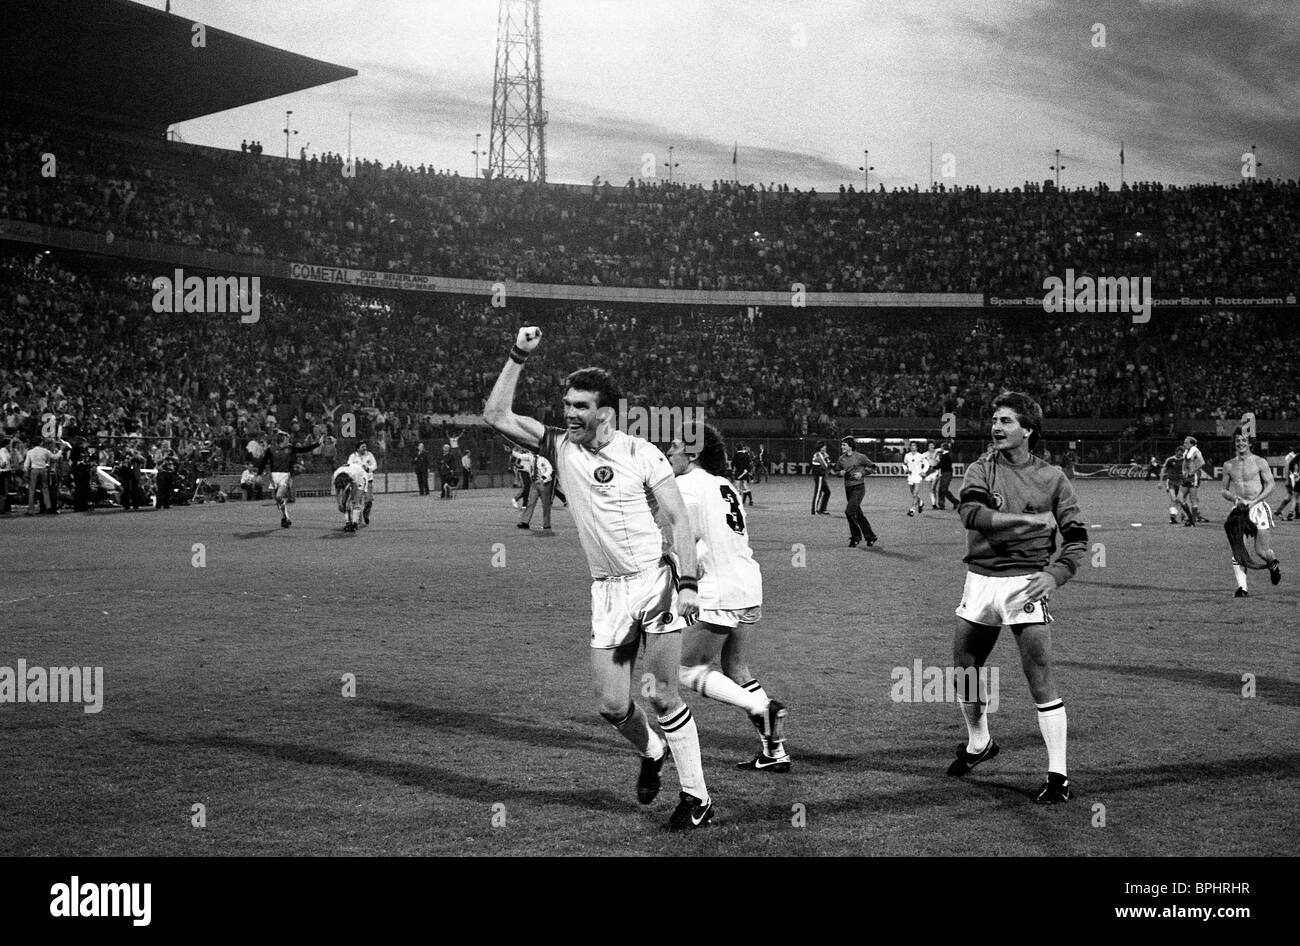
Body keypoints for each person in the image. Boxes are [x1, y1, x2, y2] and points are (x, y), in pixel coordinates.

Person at [483, 326, 714, 830]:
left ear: (605, 413)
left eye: (580, 406)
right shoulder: (560, 448)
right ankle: (651, 751)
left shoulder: (642, 454)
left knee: (659, 692)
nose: (569, 413)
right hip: (606, 591)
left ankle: (697, 798)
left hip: (654, 582)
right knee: (613, 706)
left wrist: (690, 582)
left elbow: (679, 520)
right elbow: (495, 415)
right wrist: (518, 355)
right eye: (567, 404)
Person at [947, 392, 1087, 805]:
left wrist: (1056, 574)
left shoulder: (1053, 478)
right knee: (965, 671)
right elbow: (970, 515)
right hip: (981, 580)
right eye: (994, 419)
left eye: (1006, 420)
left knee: (1039, 676)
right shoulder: (981, 468)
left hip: (1025, 583)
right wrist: (1027, 519)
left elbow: (1077, 538)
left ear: (1027, 429)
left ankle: (1058, 775)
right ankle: (979, 743)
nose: (996, 426)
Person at [667, 423, 789, 771]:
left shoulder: (687, 485)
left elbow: (685, 539)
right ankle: (775, 752)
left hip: (719, 590)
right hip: (748, 584)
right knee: (735, 667)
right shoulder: (725, 485)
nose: (669, 453)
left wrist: (672, 567)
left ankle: (763, 709)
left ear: (692, 452)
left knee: (685, 668)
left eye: (675, 446)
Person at [1220, 427, 1281, 597]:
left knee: (1262, 552)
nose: (1240, 443)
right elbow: (1223, 490)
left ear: (1249, 443)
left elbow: (1271, 485)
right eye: (1238, 440)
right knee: (1238, 551)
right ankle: (1242, 588)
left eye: (1243, 440)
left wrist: (1255, 501)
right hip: (1239, 511)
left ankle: (1273, 564)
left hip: (1258, 509)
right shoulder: (1228, 465)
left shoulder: (1259, 462)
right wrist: (1234, 499)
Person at [257, 432, 322, 528]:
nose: (289, 440)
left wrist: (318, 444)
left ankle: (284, 512)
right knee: (279, 500)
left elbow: (303, 449)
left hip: (285, 476)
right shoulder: (271, 449)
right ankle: (285, 517)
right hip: (274, 477)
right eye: (287, 438)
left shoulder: (290, 448)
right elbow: (263, 462)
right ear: (282, 440)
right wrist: (259, 474)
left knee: (279, 497)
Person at [836, 437, 878, 547]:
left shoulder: (860, 457)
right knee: (858, 514)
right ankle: (871, 537)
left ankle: (855, 537)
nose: (842, 447)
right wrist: (839, 473)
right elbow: (835, 471)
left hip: (859, 488)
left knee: (849, 512)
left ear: (850, 446)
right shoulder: (841, 459)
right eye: (842, 445)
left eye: (844, 445)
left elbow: (874, 468)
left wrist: (862, 474)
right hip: (848, 489)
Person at [518, 451, 554, 530]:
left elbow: (550, 469)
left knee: (546, 505)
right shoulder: (531, 457)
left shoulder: (543, 459)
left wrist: (543, 478)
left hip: (544, 483)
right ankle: (525, 522)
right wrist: (511, 452)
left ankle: (546, 524)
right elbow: (520, 456)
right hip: (535, 483)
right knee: (530, 502)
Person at [24, 438, 60, 515]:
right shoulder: (45, 451)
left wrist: (26, 471)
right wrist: (61, 451)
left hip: (34, 470)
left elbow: (26, 464)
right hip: (43, 470)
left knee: (32, 490)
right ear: (40, 443)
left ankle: (31, 509)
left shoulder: (30, 452)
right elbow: (54, 457)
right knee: (45, 489)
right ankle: (48, 507)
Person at [332, 460, 369, 532]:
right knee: (344, 502)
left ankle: (355, 523)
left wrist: (349, 500)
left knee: (355, 500)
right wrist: (339, 504)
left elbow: (355, 487)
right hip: (350, 476)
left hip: (360, 478)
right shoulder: (336, 475)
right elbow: (337, 491)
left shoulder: (354, 474)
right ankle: (348, 522)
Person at [347, 441, 378, 523]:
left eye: (365, 446)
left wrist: (368, 468)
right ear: (358, 448)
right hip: (358, 482)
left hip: (369, 480)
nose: (365, 448)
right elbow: (349, 466)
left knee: (369, 500)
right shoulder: (353, 456)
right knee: (357, 500)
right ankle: (358, 518)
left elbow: (375, 465)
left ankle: (366, 514)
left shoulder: (369, 455)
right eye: (363, 447)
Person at [1181, 436, 1208, 525]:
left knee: (1193, 499)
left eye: (1186, 443)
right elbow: (1184, 462)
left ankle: (1192, 521)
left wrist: (1193, 471)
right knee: (1180, 498)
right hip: (1187, 477)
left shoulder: (1196, 451)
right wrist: (1184, 470)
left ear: (1192, 444)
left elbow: (1202, 462)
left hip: (1193, 477)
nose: (1184, 444)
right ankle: (1190, 517)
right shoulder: (1186, 452)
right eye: (1184, 442)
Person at [1160, 446, 1188, 524]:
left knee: (1181, 499)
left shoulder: (1184, 460)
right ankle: (1173, 517)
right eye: (1180, 453)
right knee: (1174, 499)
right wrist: (1160, 481)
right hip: (1171, 481)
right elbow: (1163, 469)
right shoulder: (1170, 459)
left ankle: (1182, 514)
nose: (1181, 454)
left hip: (1181, 482)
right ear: (1176, 452)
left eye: (1182, 453)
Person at [903, 441, 929, 516]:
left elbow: (926, 464)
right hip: (910, 476)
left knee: (915, 493)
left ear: (917, 447)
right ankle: (920, 502)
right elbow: (904, 464)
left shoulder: (920, 456)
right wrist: (906, 469)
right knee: (912, 492)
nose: (912, 447)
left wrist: (923, 471)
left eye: (914, 446)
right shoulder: (907, 455)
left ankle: (912, 510)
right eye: (911, 446)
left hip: (918, 476)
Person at [1273, 446, 1297, 521]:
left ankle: (1279, 511)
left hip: (1293, 478)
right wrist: (1287, 480)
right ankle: (1280, 511)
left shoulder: (1291, 456)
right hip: (1292, 479)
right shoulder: (1292, 457)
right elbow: (1287, 469)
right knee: (1292, 496)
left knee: (1292, 496)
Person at [936, 440, 960, 510]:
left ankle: (955, 502)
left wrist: (934, 467)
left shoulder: (946, 455)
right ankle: (942, 504)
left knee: (943, 489)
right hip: (945, 473)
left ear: (943, 448)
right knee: (942, 489)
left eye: (941, 447)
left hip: (947, 473)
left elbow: (941, 464)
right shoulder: (945, 455)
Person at [810, 440, 832, 515]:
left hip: (821, 476)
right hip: (819, 476)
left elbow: (828, 464)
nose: (825, 447)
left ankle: (822, 509)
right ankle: (814, 510)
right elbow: (826, 466)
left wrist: (827, 458)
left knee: (827, 492)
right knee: (818, 493)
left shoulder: (821, 454)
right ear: (821, 448)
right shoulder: (819, 455)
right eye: (824, 446)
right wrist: (827, 458)